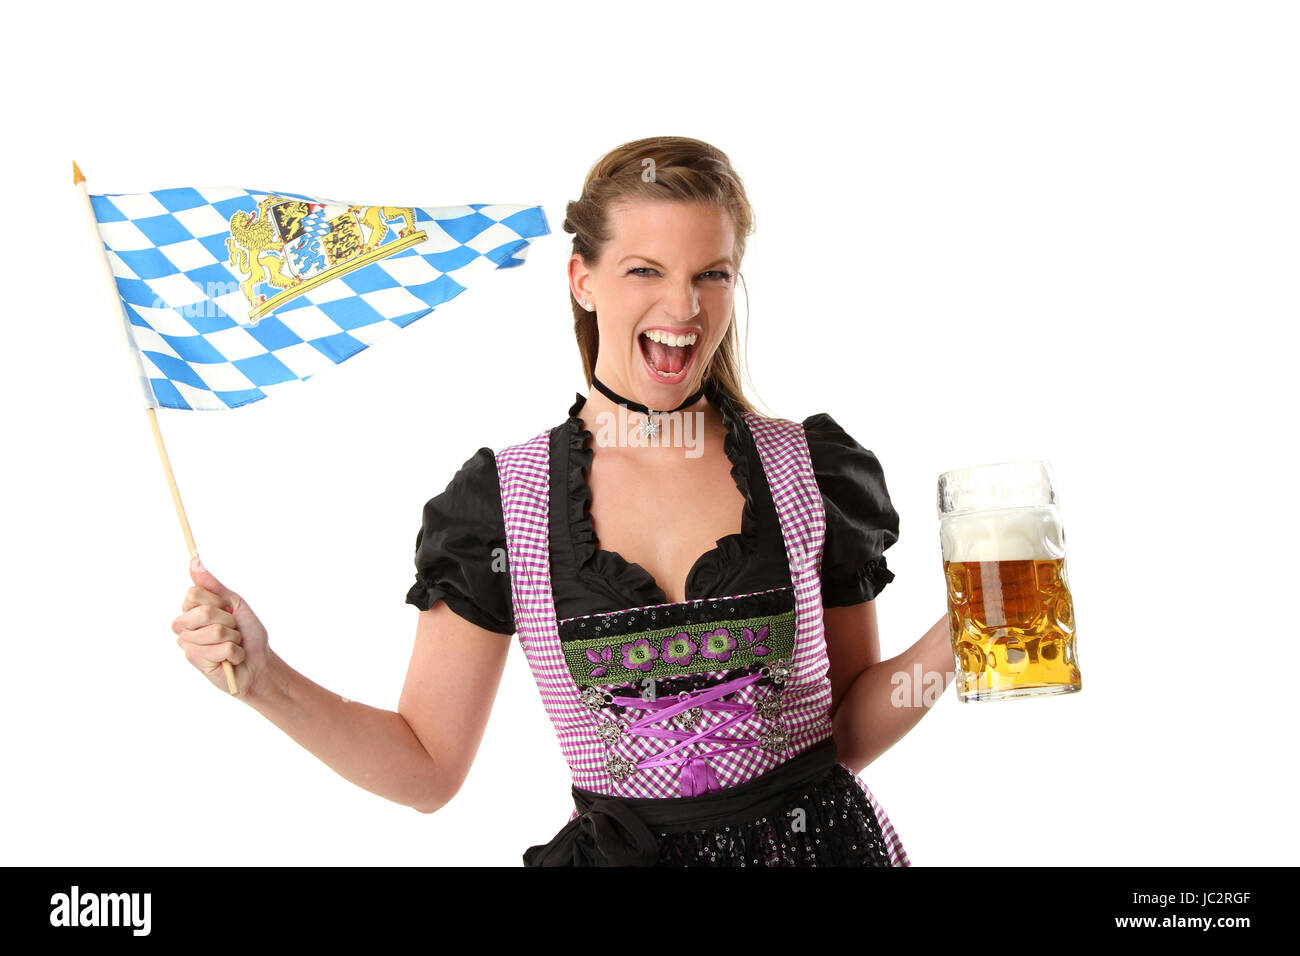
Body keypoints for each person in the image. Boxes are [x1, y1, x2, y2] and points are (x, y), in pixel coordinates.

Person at [172, 135, 955, 866]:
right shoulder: (501, 505)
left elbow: (845, 729)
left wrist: (966, 626)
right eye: (645, 270)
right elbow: (427, 767)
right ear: (582, 279)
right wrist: (266, 678)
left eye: (710, 274)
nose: (683, 309)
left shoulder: (808, 470)